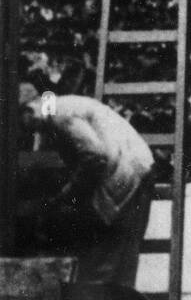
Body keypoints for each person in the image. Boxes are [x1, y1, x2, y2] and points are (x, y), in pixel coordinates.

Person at [17, 74, 155, 287]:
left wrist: (67, 194)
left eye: (22, 121)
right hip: (136, 168)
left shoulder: (57, 113)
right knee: (122, 264)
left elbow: (94, 156)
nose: (27, 129)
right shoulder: (61, 107)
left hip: (126, 174)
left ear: (29, 111)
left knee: (106, 265)